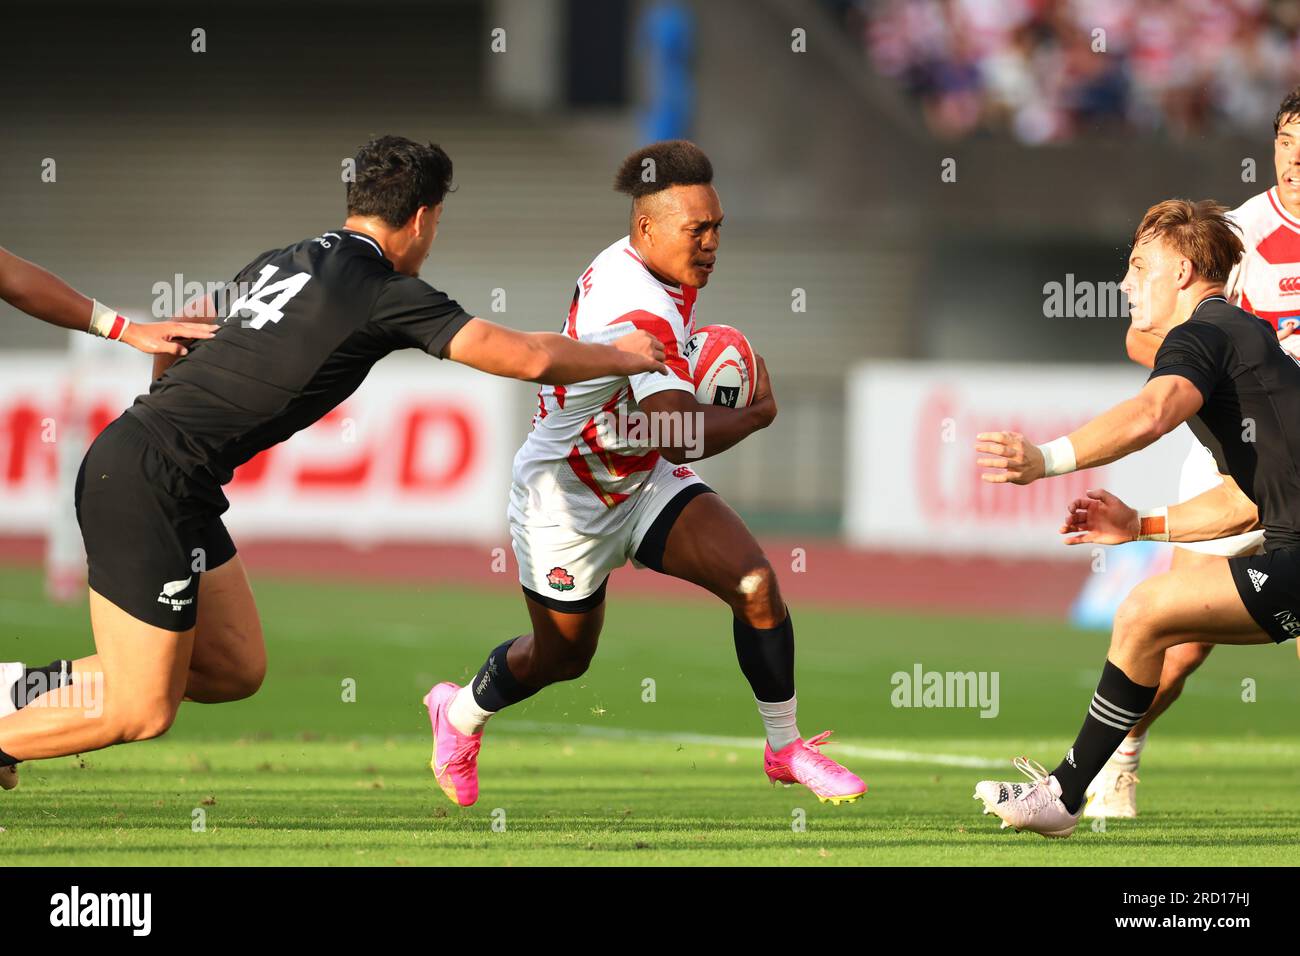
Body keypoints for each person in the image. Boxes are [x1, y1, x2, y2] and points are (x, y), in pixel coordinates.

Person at [0, 135, 667, 794]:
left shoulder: (285, 259)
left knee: (233, 667)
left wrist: (168, 411)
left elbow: (187, 324)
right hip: (151, 479)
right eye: (436, 224)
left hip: (163, 473)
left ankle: (15, 691)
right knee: (141, 708)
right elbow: (527, 358)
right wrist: (625, 354)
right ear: (422, 217)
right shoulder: (381, 290)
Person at [422, 140, 866, 808]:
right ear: (647, 229)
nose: (713, 242)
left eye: (718, 227)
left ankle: (785, 748)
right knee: (563, 659)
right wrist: (755, 417)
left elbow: (658, 440)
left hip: (639, 476)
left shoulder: (657, 269)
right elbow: (673, 433)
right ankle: (457, 717)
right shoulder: (637, 306)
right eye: (699, 229)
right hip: (566, 497)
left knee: (756, 584)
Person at [971, 198, 1299, 839]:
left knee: (1145, 612)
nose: (1125, 283)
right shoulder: (1239, 340)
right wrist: (1143, 527)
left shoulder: (1206, 333)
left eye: (1138, 265)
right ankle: (1068, 793)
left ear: (1181, 271)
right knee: (1149, 620)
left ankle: (1065, 794)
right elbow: (1245, 500)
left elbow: (1152, 413)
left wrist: (1046, 458)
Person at [1085, 86, 1300, 818]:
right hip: (1232, 462)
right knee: (1178, 645)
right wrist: (1204, 374)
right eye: (1284, 140)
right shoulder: (1237, 234)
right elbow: (1144, 334)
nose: (1294, 156)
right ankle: (1119, 752)